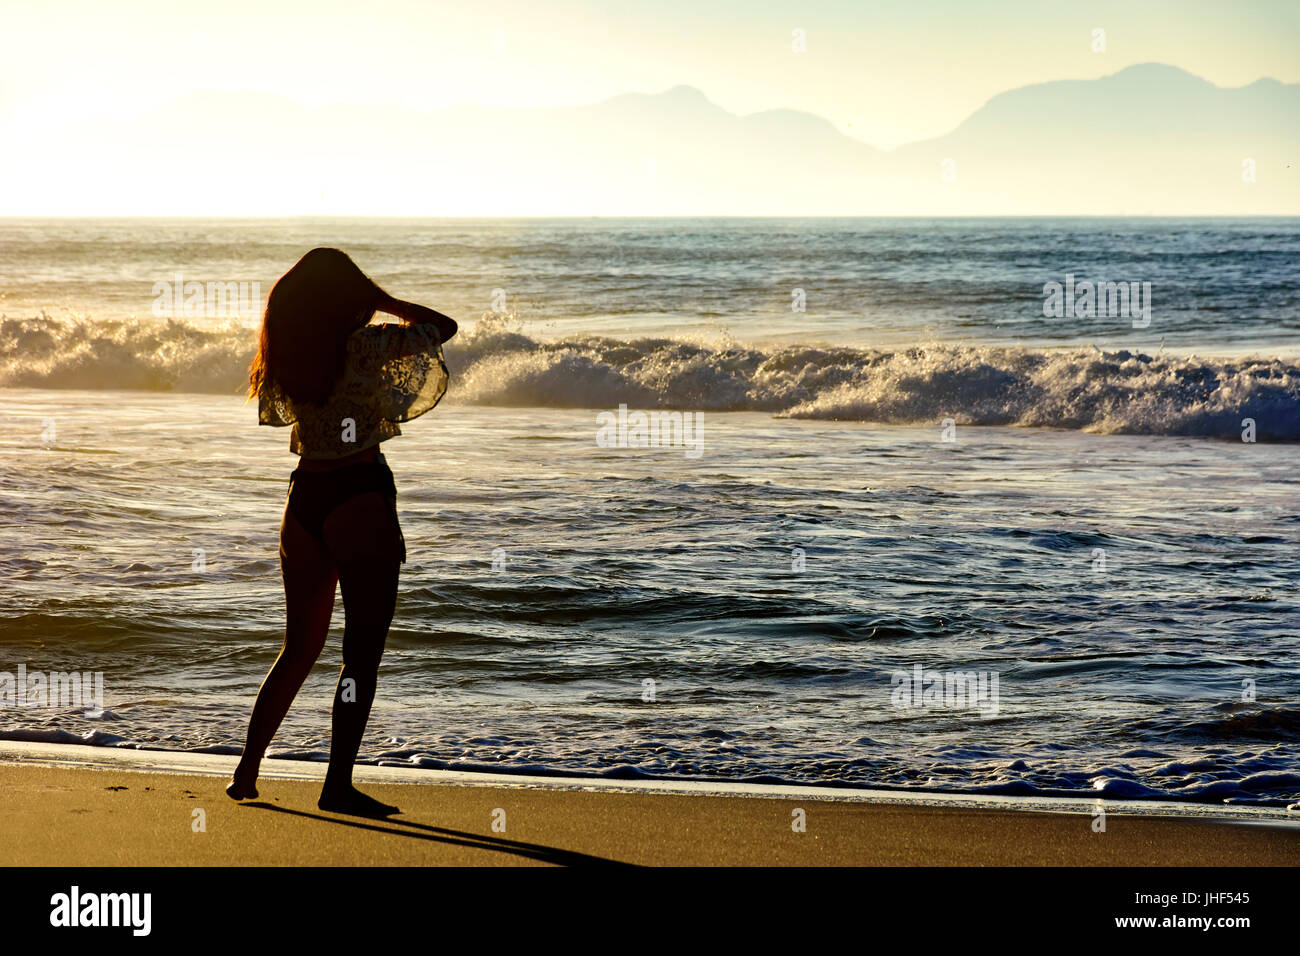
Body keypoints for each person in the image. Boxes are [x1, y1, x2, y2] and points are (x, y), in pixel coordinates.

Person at [228, 247, 457, 817]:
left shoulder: (287, 356)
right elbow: (441, 328)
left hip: (303, 501)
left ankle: (247, 769)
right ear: (346, 296)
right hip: (358, 496)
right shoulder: (365, 344)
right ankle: (336, 786)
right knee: (361, 656)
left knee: (298, 649)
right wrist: (379, 300)